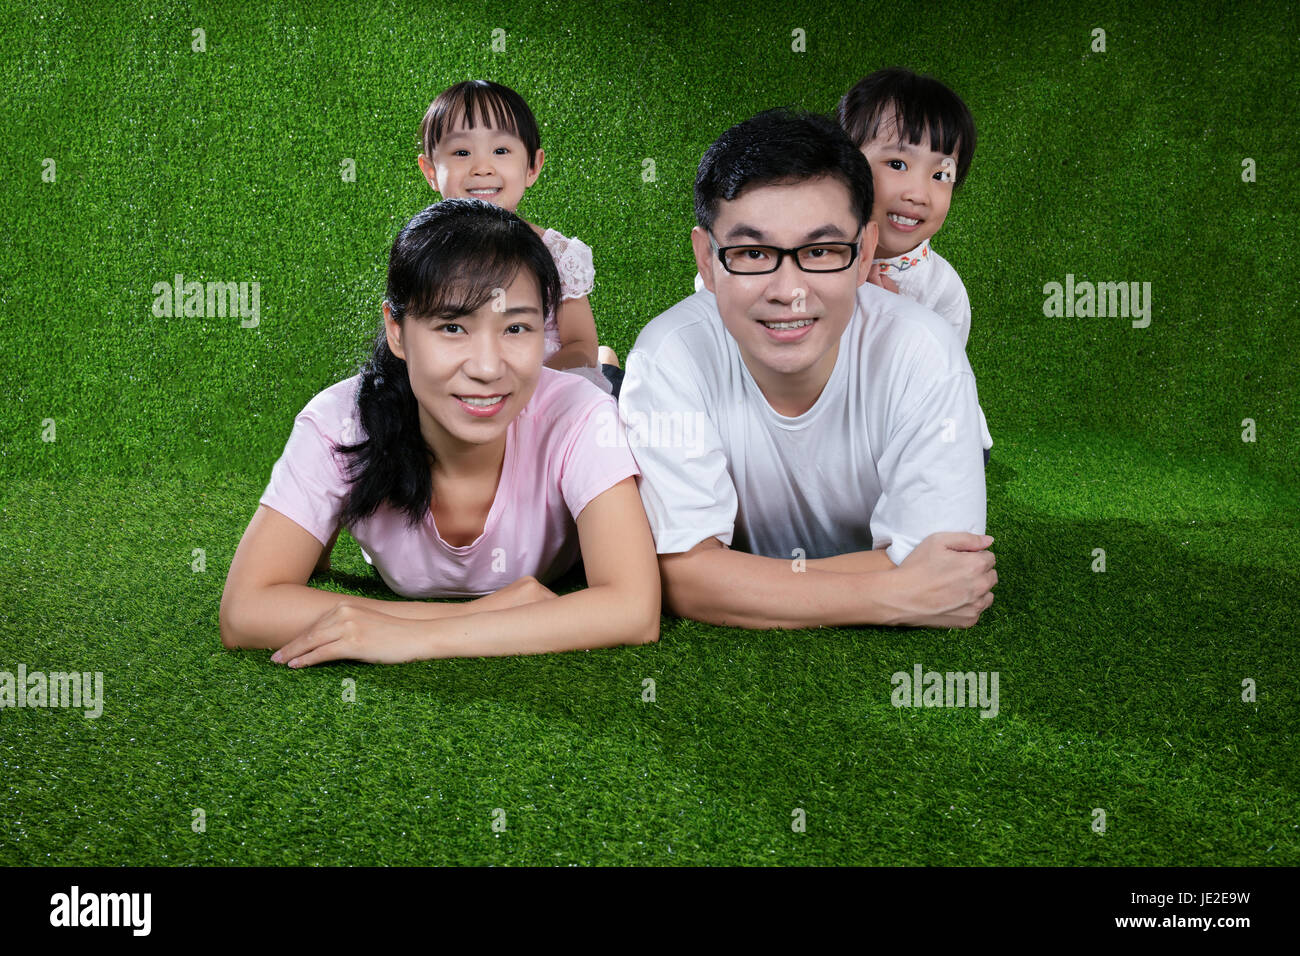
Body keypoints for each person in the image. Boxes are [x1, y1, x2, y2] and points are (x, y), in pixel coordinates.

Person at [220, 200, 659, 664]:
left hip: (573, 391)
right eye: (452, 327)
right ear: (396, 330)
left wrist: (416, 637)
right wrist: (492, 614)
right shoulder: (338, 421)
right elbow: (246, 609)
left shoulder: (581, 416)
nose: (488, 367)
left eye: (516, 327)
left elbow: (634, 608)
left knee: (602, 384)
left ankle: (606, 363)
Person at [618, 109, 995, 630]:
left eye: (820, 250)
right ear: (707, 258)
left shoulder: (923, 349)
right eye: (752, 253)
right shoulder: (668, 355)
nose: (789, 290)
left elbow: (950, 569)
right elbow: (684, 578)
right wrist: (894, 594)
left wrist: (734, 579)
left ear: (865, 252)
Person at [417, 79, 624, 396]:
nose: (482, 167)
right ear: (431, 171)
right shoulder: (423, 254)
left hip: (544, 387)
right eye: (461, 152)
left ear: (532, 166)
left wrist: (518, 386)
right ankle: (608, 361)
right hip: (463, 392)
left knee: (597, 382)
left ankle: (608, 363)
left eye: (501, 150)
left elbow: (580, 345)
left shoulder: (555, 253)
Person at [839, 67, 993, 458]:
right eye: (897, 164)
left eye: (942, 174)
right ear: (844, 164)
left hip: (929, 432)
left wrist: (891, 319)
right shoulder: (810, 253)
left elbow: (936, 385)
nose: (920, 194)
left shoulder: (941, 290)